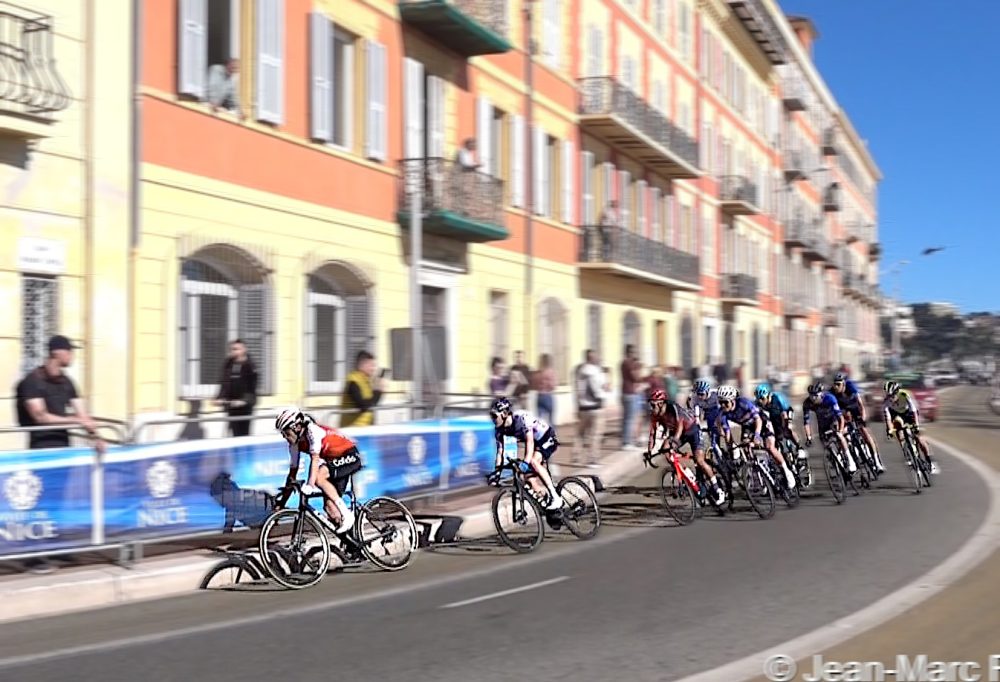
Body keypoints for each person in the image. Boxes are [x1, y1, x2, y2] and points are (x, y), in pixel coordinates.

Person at [275, 408, 362, 534]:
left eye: (286, 433)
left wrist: (310, 485)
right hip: (334, 462)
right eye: (283, 434)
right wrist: (283, 502)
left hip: (349, 454)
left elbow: (315, 460)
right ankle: (351, 541)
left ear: (297, 427)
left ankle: (347, 515)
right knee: (330, 508)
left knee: (319, 477)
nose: (284, 437)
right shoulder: (294, 445)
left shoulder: (312, 431)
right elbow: (292, 473)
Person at [16, 335, 105, 454]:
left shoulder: (66, 382)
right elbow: (40, 417)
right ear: (57, 353)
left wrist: (96, 436)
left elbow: (82, 414)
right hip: (41, 448)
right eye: (69, 351)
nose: (72, 355)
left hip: (64, 446)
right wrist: (76, 421)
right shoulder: (32, 381)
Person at [647, 389, 726, 506]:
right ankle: (684, 474)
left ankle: (718, 489)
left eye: (653, 405)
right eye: (651, 405)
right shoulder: (655, 415)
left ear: (660, 403)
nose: (651, 407)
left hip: (692, 430)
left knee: (699, 460)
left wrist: (675, 440)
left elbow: (680, 425)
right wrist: (649, 451)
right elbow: (652, 434)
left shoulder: (673, 408)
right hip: (680, 434)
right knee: (666, 450)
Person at [487, 397, 563, 511]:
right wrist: (497, 472)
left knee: (533, 461)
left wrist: (526, 462)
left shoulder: (521, 418)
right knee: (527, 478)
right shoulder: (499, 430)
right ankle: (546, 501)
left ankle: (555, 497)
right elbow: (500, 451)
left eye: (494, 416)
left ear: (504, 414)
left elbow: (529, 442)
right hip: (535, 443)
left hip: (546, 437)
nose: (492, 420)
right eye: (491, 416)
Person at [717, 385, 797, 490]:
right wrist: (731, 447)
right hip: (747, 427)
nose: (723, 405)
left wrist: (757, 435)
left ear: (732, 400)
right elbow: (727, 434)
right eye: (720, 402)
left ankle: (787, 471)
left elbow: (758, 420)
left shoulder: (743, 403)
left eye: (725, 402)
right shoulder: (722, 413)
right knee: (745, 447)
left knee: (770, 447)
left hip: (761, 422)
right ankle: (759, 475)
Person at [754, 383, 810, 486]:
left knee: (787, 429)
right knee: (774, 441)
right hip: (772, 419)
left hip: (785, 412)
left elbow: (784, 414)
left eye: (762, 399)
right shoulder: (758, 404)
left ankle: (799, 447)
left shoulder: (777, 398)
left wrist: (784, 427)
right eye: (759, 399)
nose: (761, 401)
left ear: (768, 395)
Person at [830, 371, 885, 473]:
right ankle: (848, 455)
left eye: (838, 384)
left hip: (854, 408)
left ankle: (877, 462)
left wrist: (863, 418)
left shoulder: (851, 387)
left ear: (844, 384)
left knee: (865, 432)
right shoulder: (832, 393)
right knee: (841, 432)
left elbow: (861, 404)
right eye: (834, 384)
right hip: (843, 411)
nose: (836, 387)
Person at [883, 380, 939, 474]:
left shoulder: (905, 395)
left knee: (920, 439)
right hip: (897, 415)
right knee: (898, 429)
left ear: (897, 392)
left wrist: (916, 426)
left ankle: (930, 462)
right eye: (889, 396)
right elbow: (888, 419)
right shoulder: (886, 401)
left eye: (893, 395)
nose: (891, 398)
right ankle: (907, 452)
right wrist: (889, 431)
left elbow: (914, 411)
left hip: (910, 413)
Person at [801, 382, 856, 474]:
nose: (813, 398)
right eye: (811, 396)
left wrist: (840, 431)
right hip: (822, 424)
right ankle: (836, 459)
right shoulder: (807, 403)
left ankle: (850, 461)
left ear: (821, 394)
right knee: (825, 443)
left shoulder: (830, 398)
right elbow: (806, 422)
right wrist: (809, 437)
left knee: (839, 436)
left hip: (833, 420)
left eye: (815, 396)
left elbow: (840, 418)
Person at [215, 339, 258, 437]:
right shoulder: (228, 364)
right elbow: (224, 382)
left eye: (236, 349)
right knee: (233, 433)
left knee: (243, 434)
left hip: (245, 406)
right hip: (231, 404)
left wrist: (244, 400)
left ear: (244, 350)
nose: (234, 351)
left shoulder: (250, 366)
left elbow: (252, 386)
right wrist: (220, 397)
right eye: (232, 349)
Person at [573, 349, 606, 468]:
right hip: (595, 406)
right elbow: (598, 389)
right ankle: (592, 459)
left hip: (583, 406)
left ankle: (576, 457)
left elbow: (578, 390)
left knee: (580, 434)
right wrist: (602, 396)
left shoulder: (579, 371)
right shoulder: (595, 371)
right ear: (592, 358)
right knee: (595, 434)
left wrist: (577, 406)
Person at [341, 351, 385, 427]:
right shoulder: (353, 381)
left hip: (365, 427)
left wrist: (379, 390)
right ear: (362, 365)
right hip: (353, 428)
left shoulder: (366, 380)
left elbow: (372, 403)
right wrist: (378, 391)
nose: (373, 369)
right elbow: (363, 405)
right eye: (371, 365)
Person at [687, 378, 723, 453]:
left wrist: (719, 421)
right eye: (698, 394)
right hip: (707, 411)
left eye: (702, 394)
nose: (700, 396)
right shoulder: (695, 398)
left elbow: (721, 408)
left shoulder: (715, 395)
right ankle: (715, 445)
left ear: (707, 392)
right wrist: (697, 419)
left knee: (716, 426)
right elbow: (696, 409)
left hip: (717, 410)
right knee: (711, 430)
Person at [534, 353, 556, 425]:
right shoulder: (550, 372)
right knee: (551, 419)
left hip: (539, 396)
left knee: (539, 420)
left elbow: (534, 385)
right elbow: (553, 386)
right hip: (547, 395)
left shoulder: (537, 373)